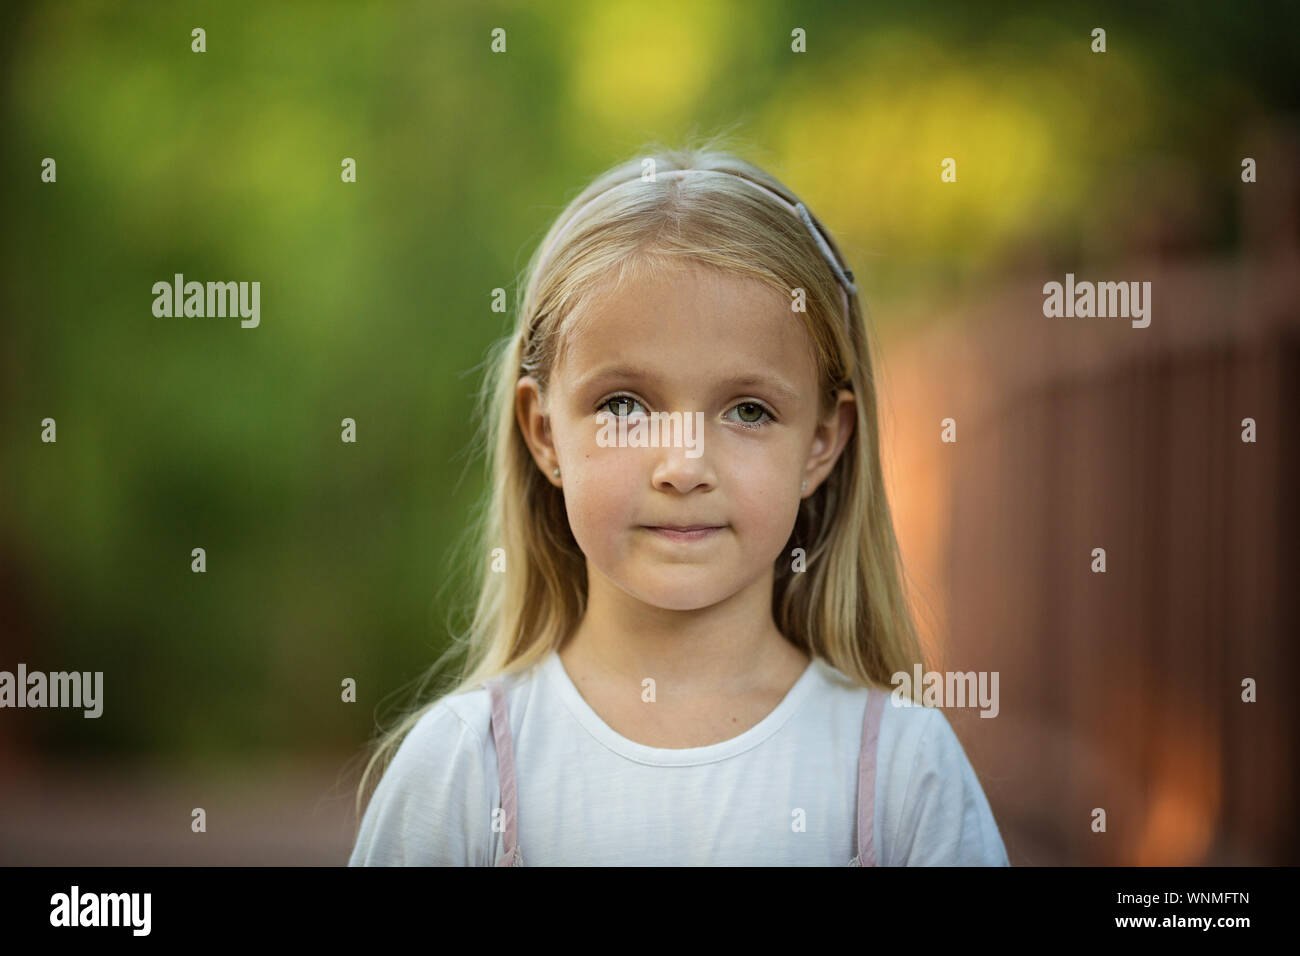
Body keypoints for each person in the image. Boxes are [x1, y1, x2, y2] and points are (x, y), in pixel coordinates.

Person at [348, 140, 1010, 866]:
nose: (685, 465)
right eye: (625, 404)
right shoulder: (461, 771)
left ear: (822, 442)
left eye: (749, 411)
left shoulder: (902, 775)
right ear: (544, 433)